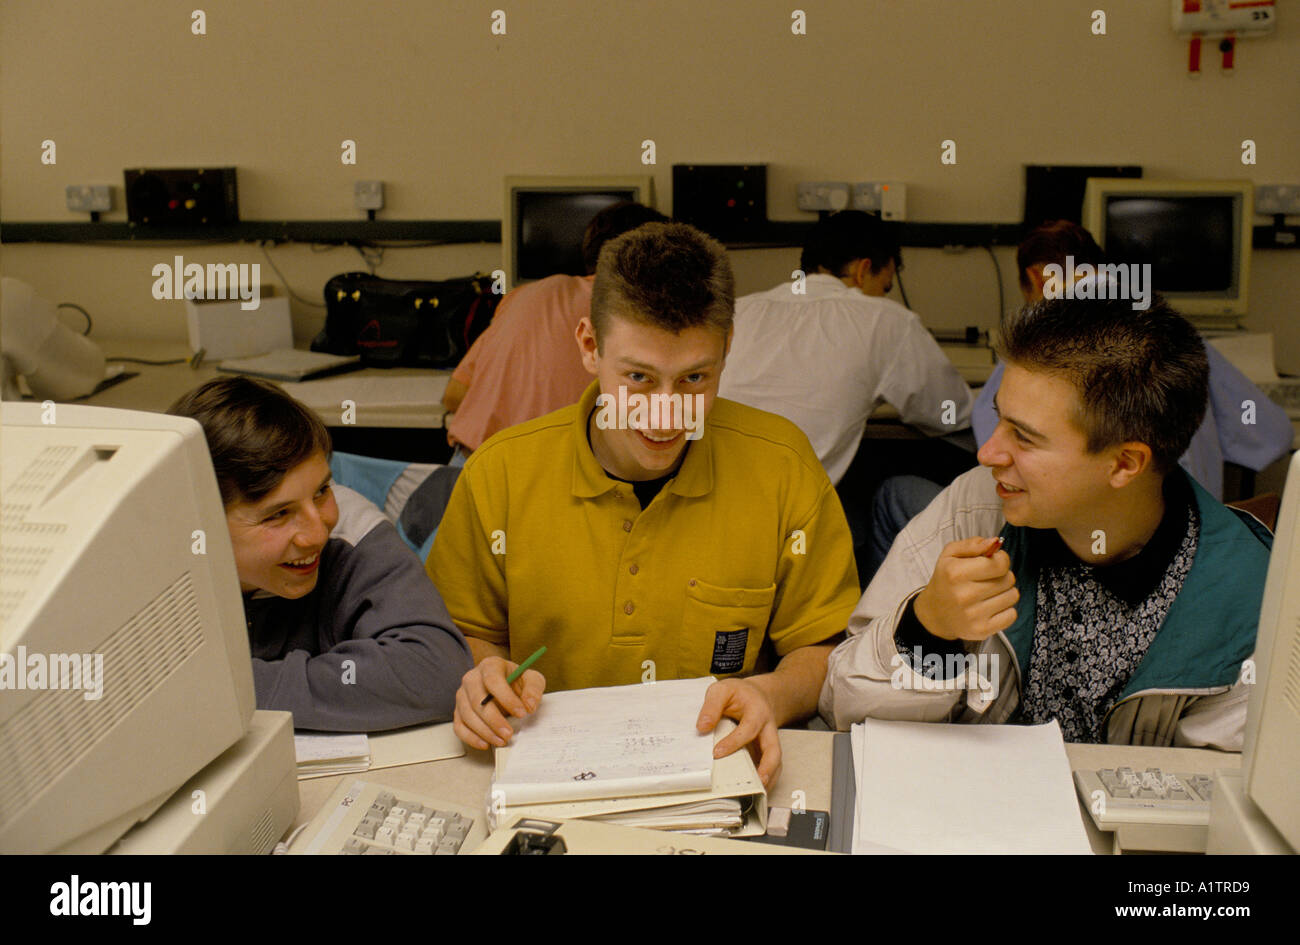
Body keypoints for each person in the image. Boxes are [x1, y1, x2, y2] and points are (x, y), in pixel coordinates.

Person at [428, 222, 860, 785]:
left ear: (727, 348)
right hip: (547, 780)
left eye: (694, 379)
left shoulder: (783, 465)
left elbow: (822, 644)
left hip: (715, 773)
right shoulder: (500, 474)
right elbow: (461, 630)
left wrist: (771, 693)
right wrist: (484, 673)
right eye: (638, 377)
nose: (665, 413)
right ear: (589, 347)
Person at [820, 295, 1273, 749]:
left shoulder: (1248, 598)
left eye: (1025, 437)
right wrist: (928, 629)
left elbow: (1219, 793)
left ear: (1124, 464)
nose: (987, 454)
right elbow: (842, 705)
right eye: (999, 418)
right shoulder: (979, 507)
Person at [169, 376, 472, 732]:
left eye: (321, 491)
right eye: (278, 514)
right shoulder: (149, 560)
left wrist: (225, 689)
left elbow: (435, 671)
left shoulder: (353, 534)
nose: (318, 532)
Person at [973, 220, 1293, 500]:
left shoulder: (1042, 342)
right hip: (1197, 531)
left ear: (1037, 278)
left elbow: (996, 448)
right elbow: (1273, 435)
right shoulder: (1174, 331)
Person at [718, 211, 973, 486]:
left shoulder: (735, 310)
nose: (884, 296)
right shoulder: (885, 319)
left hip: (707, 500)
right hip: (786, 513)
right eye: (885, 287)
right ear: (862, 271)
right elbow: (948, 415)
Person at [442, 201, 668, 458]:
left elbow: (454, 396)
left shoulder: (524, 296)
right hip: (544, 475)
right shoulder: (648, 316)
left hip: (470, 467)